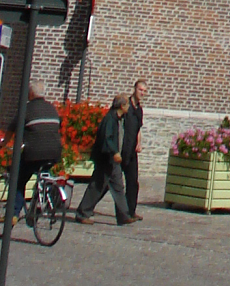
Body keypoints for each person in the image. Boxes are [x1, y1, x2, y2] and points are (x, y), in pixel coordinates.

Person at [74, 93, 133, 225]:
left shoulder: (118, 119)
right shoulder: (109, 119)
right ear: (122, 106)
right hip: (105, 159)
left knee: (118, 186)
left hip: (111, 161)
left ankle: (124, 215)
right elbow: (107, 138)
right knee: (97, 186)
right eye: (127, 104)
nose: (128, 107)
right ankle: (82, 213)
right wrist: (114, 152)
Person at [8, 82, 61, 220]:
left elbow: (12, 128)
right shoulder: (51, 108)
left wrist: (3, 144)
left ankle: (14, 213)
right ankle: (45, 197)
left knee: (19, 180)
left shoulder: (26, 109)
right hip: (54, 153)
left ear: (31, 94)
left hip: (33, 154)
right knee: (44, 172)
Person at [122, 80, 145, 222]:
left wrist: (139, 143)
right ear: (134, 89)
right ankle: (85, 209)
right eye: (140, 89)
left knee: (133, 182)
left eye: (144, 91)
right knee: (106, 182)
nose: (142, 93)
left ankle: (130, 211)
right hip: (121, 149)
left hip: (132, 151)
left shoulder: (139, 110)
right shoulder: (126, 106)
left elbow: (138, 129)